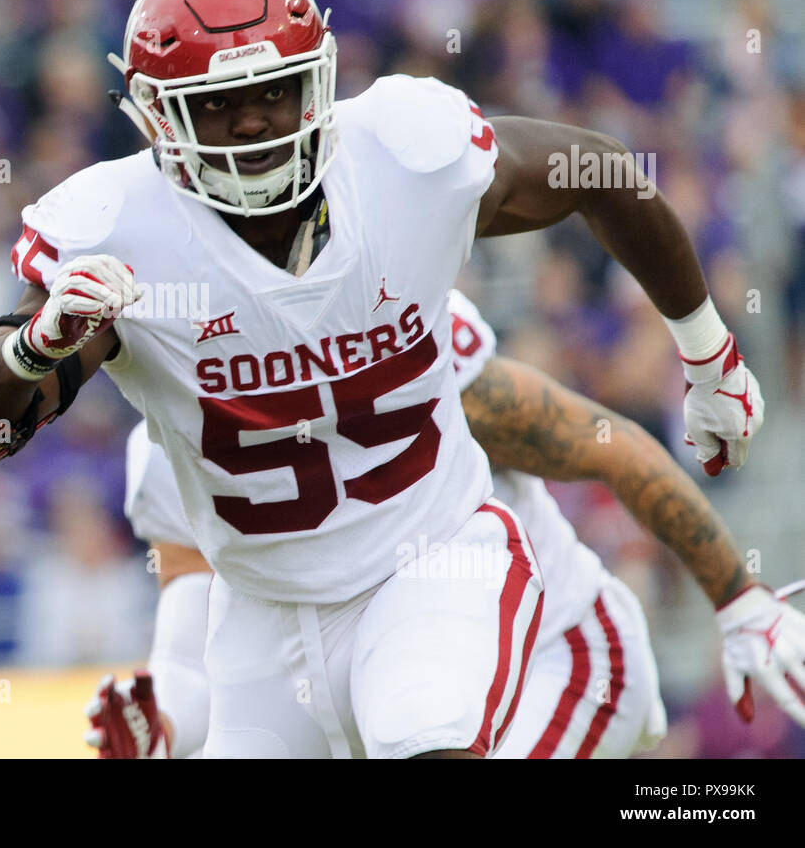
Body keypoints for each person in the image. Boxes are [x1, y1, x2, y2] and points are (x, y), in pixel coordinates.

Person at [0, 0, 764, 758]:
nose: (250, 122)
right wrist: (27, 352)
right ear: (157, 116)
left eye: (273, 91)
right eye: (214, 103)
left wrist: (709, 353)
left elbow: (598, 170)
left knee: (423, 726)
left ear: (317, 82)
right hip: (265, 615)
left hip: (435, 558)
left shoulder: (403, 159)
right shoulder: (123, 247)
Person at [85, 290, 805, 758]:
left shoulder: (394, 352)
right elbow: (190, 652)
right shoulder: (166, 454)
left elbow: (603, 444)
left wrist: (736, 595)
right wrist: (165, 725)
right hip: (387, 709)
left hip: (559, 657)